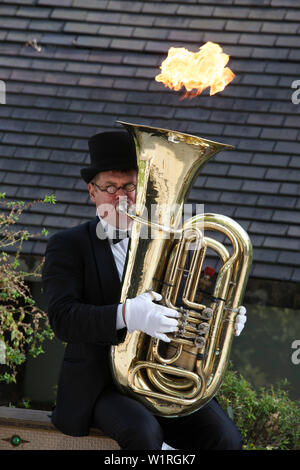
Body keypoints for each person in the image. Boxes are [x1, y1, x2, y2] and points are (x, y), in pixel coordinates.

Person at [42, 130, 246, 450]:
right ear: (91, 192)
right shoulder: (68, 246)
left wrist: (220, 317)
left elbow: (187, 309)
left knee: (226, 438)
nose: (120, 196)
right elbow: (63, 318)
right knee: (144, 434)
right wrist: (126, 314)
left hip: (161, 378)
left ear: (145, 191)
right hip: (100, 387)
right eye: (110, 187)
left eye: (129, 186)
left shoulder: (176, 243)